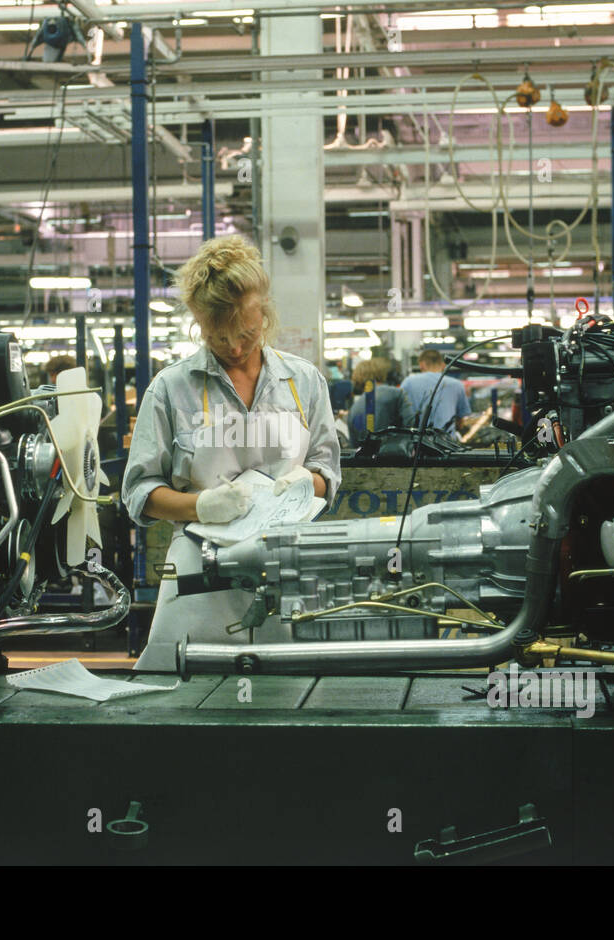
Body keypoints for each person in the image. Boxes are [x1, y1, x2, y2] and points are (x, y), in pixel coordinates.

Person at [121, 236, 341, 671]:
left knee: (291, 697)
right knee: (185, 700)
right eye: (218, 337)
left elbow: (328, 472)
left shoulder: (305, 382)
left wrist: (306, 483)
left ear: (266, 313)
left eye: (246, 333)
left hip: (285, 566)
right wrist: (201, 506)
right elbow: (139, 493)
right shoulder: (170, 389)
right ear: (199, 324)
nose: (236, 349)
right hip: (199, 573)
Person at [401, 348, 471, 433]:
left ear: (421, 365)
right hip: (447, 443)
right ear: (443, 365)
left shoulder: (408, 382)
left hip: (417, 441)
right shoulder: (457, 385)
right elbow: (460, 421)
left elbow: (401, 415)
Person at [346, 356, 415, 443]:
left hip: (365, 455)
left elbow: (354, 444)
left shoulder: (354, 409)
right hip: (396, 454)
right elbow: (411, 425)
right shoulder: (397, 393)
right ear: (380, 373)